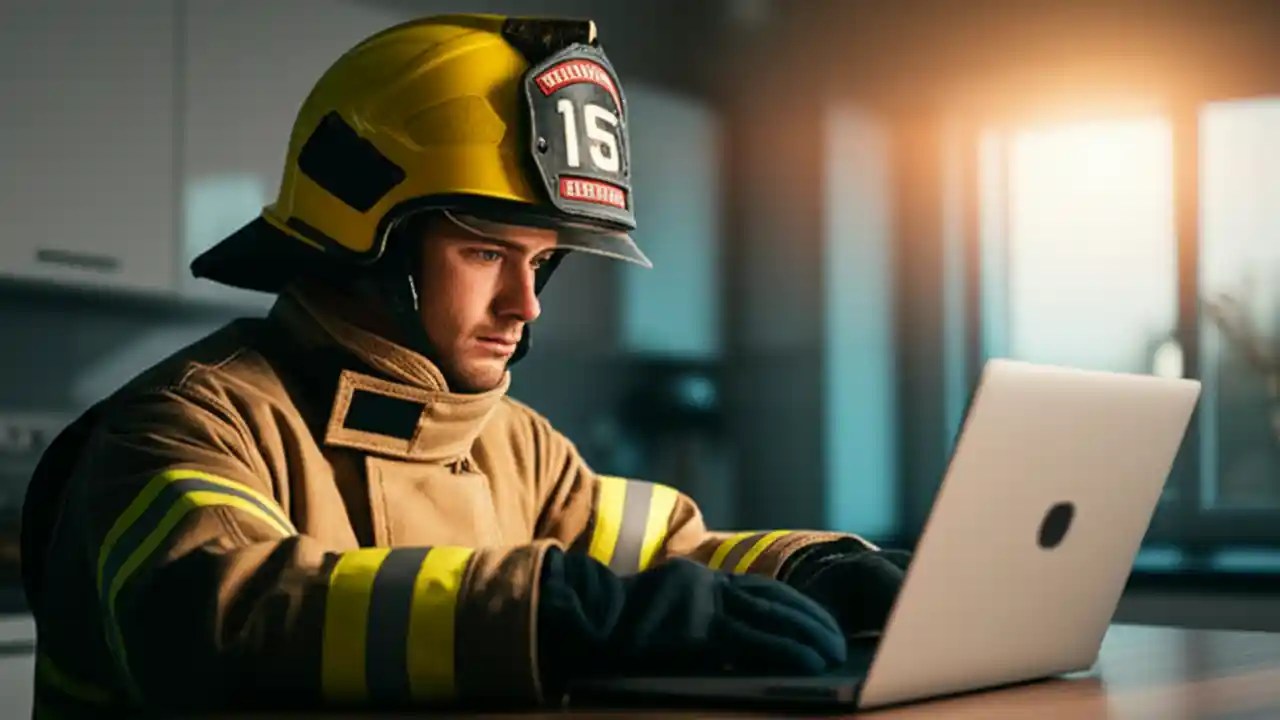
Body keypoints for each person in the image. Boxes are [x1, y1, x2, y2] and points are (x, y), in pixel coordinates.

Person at [19, 13, 909, 716]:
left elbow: (676, 557)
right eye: (486, 252)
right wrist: (552, 611)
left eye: (541, 261)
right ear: (367, 243)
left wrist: (816, 568)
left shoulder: (513, 443)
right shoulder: (187, 423)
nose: (526, 304)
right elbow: (226, 616)